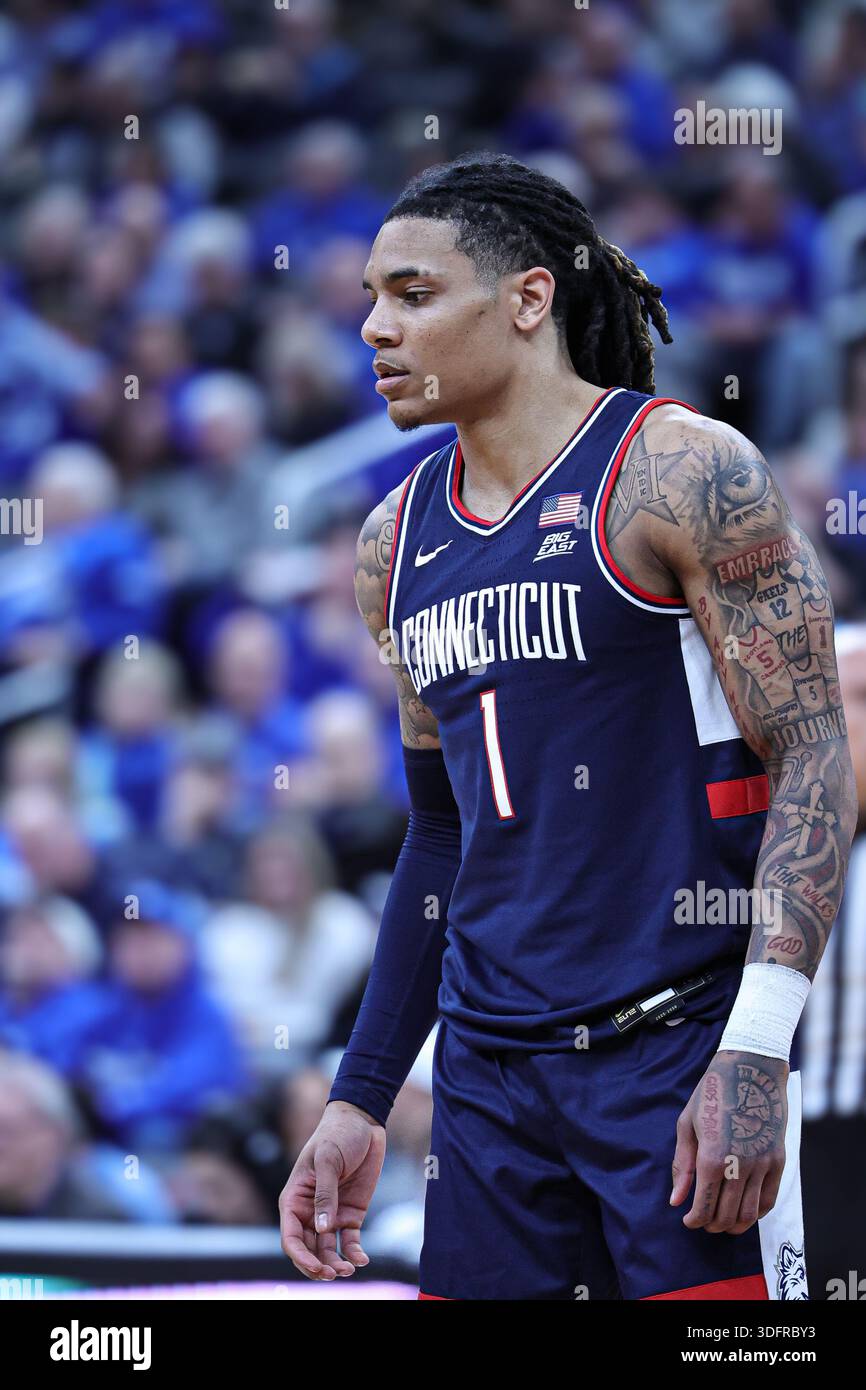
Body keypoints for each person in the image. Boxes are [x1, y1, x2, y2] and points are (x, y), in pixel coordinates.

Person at [280, 152, 857, 1300]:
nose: (375, 333)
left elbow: (813, 756)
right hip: (488, 1083)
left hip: (677, 1049)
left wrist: (755, 1042)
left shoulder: (681, 472)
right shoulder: (393, 545)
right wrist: (359, 1095)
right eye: (367, 302)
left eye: (412, 294)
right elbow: (438, 839)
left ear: (528, 299)